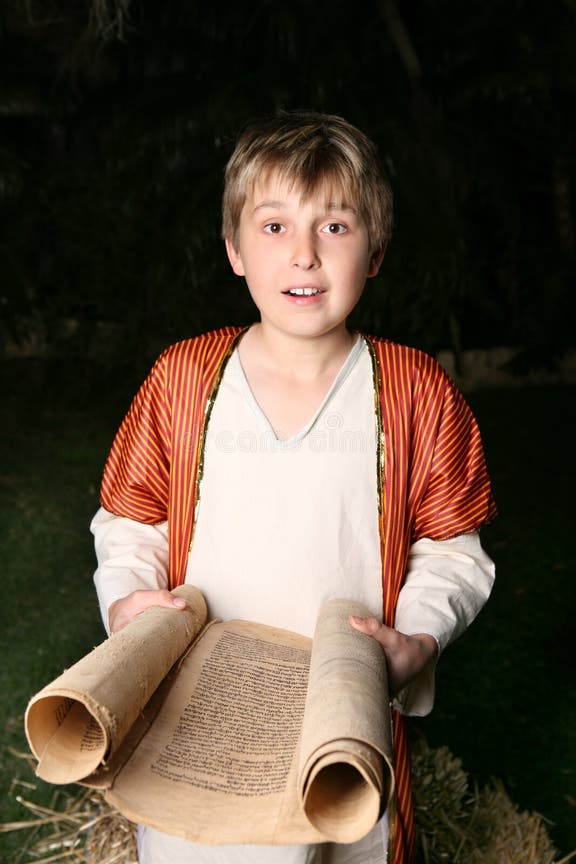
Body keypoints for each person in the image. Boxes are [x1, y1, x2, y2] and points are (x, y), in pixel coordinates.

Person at [91, 111, 497, 864]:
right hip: (200, 713)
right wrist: (127, 599)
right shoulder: (183, 380)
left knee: (348, 844)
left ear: (375, 251)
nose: (304, 254)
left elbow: (450, 549)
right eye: (274, 226)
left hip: (342, 721)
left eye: (335, 227)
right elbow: (132, 522)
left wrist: (417, 638)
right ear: (234, 248)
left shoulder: (414, 392)